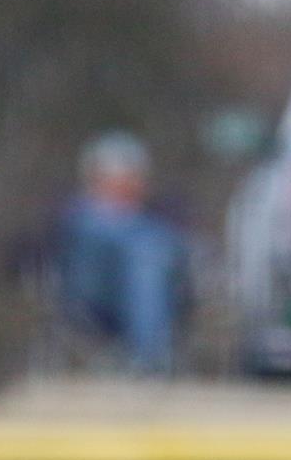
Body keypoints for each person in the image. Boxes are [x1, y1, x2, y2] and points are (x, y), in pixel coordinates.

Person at [53, 131, 189, 375]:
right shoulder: (76, 220)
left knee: (151, 256)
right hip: (90, 300)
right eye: (116, 177)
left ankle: (148, 357)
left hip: (158, 296)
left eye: (133, 177)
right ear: (95, 178)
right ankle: (150, 359)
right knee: (147, 256)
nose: (126, 185)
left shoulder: (157, 222)